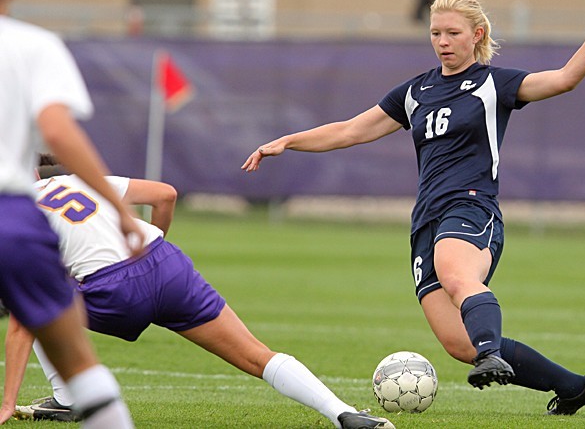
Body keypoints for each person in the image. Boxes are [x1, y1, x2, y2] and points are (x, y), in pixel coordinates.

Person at [243, 0, 585, 415]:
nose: (443, 41)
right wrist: (289, 141)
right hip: (426, 221)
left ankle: (491, 354)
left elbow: (565, 78)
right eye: (436, 33)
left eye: (453, 33)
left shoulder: (493, 84)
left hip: (471, 208)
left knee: (458, 277)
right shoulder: (417, 91)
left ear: (476, 34)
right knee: (460, 344)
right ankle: (572, 387)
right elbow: (351, 130)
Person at [1, 169, 395, 429]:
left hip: (115, 292)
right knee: (256, 355)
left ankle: (67, 398)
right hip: (166, 263)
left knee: (33, 305)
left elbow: (21, 323)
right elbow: (165, 195)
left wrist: (7, 404)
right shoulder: (77, 178)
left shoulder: (16, 217)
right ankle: (342, 413)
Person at [0, 0, 141, 427]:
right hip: (11, 212)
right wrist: (119, 208)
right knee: (78, 365)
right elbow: (59, 134)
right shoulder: (34, 46)